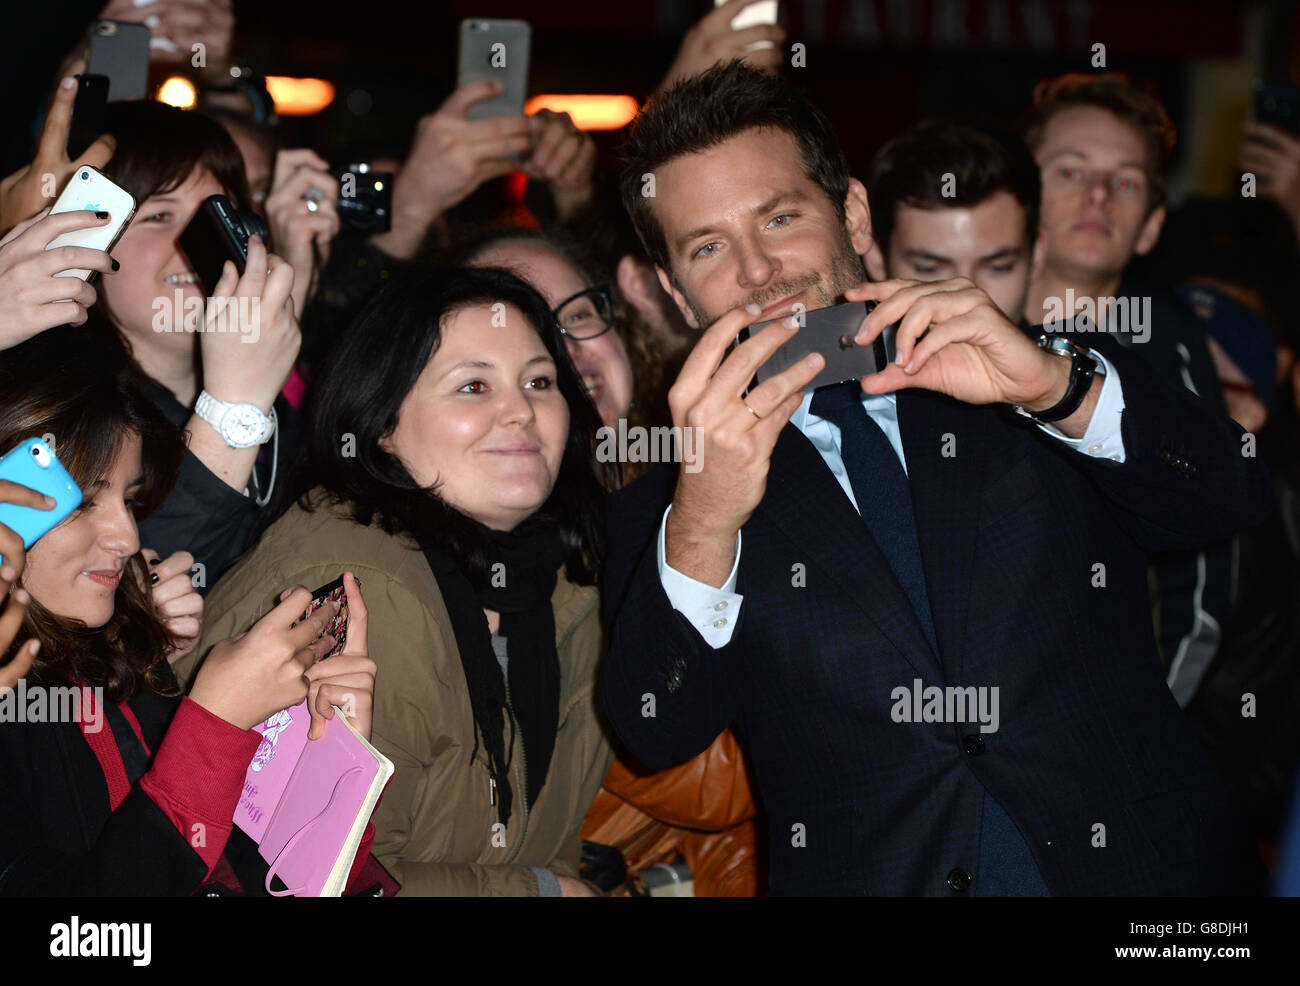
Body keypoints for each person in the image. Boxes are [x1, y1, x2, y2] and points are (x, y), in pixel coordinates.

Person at [601, 61, 1270, 896]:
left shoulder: (1018, 367)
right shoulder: (666, 502)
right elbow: (656, 729)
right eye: (709, 246)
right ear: (673, 290)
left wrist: (1053, 387)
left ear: (850, 211)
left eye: (779, 217)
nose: (759, 270)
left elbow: (1227, 497)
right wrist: (704, 517)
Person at [180, 266, 614, 896]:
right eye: (473, 386)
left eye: (540, 382)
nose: (521, 410)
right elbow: (291, 880)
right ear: (382, 425)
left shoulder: (564, 585)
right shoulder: (350, 588)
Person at [0, 327, 389, 896]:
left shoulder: (121, 663)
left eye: (130, 500)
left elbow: (253, 877)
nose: (127, 536)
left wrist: (318, 762)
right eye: (82, 501)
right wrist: (214, 729)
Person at [1022, 72, 1234, 706]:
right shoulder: (954, 328)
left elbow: (1204, 574)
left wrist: (1150, 726)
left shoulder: (1167, 348)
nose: (1097, 196)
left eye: (1125, 181)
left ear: (1150, 226)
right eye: (1069, 170)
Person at [91, 100, 302, 591]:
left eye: (214, 217)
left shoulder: (283, 402)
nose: (191, 244)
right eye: (159, 215)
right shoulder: (69, 416)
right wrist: (233, 409)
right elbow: (124, 596)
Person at [865, 120, 1043, 326]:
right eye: (929, 268)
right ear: (876, 258)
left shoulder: (1079, 353)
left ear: (1038, 254)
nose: (966, 301)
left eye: (998, 268)